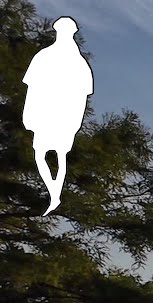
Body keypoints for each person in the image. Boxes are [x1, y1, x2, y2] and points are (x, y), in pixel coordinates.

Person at [22, 16, 93, 216]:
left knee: (54, 155)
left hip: (62, 117)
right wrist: (30, 114)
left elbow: (81, 97)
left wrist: (75, 122)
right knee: (44, 154)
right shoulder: (47, 57)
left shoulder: (76, 63)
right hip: (48, 115)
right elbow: (33, 88)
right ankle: (54, 193)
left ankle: (55, 193)